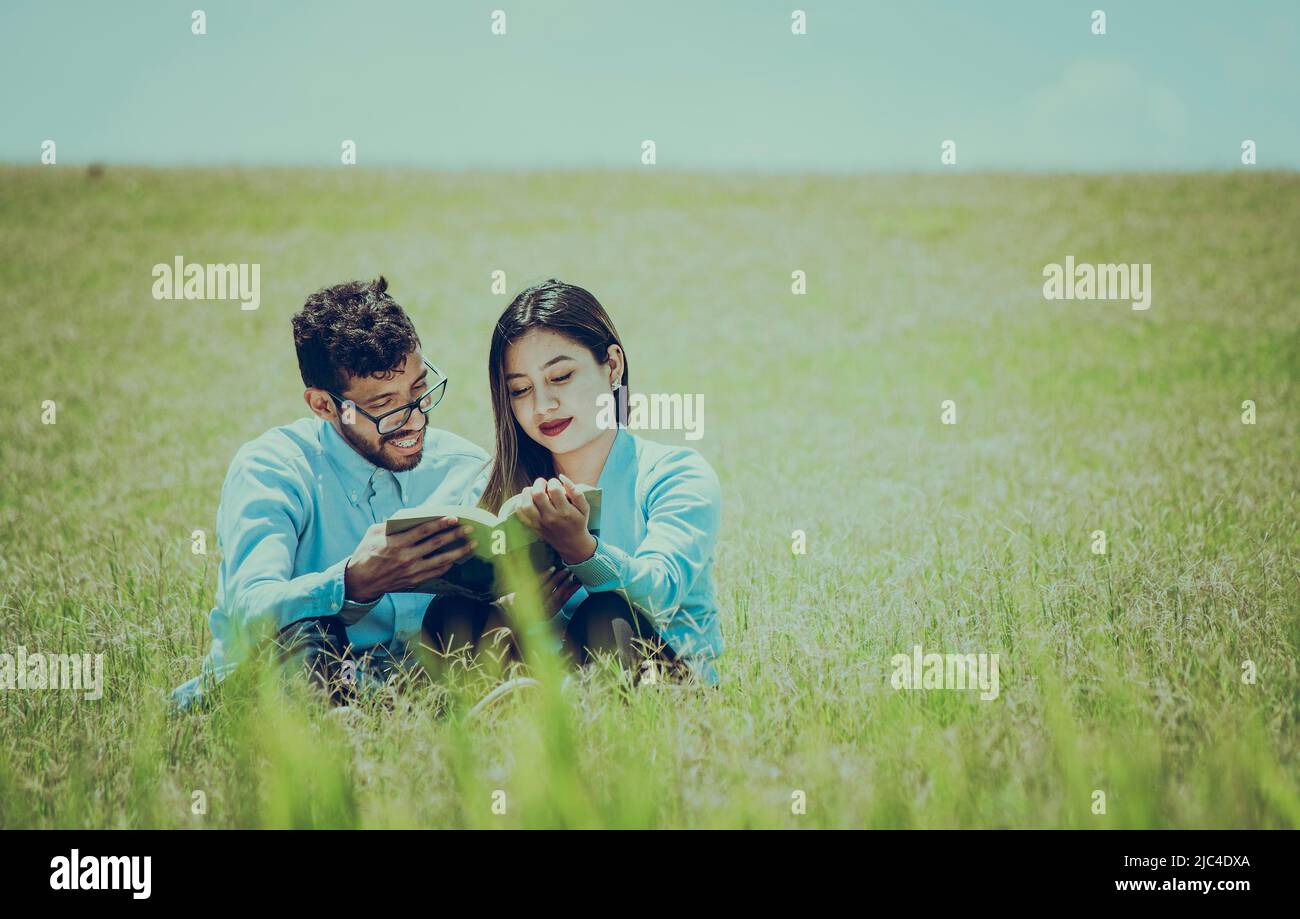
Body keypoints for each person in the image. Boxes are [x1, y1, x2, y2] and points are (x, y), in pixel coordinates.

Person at [171, 276, 579, 710]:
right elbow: (249, 613)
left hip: (411, 686)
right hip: (287, 678)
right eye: (384, 406)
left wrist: (516, 603)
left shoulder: (463, 468)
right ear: (323, 405)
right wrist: (352, 583)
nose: (414, 420)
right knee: (304, 631)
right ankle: (332, 736)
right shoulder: (272, 468)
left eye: (420, 390)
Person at [424, 279, 723, 684]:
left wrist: (582, 551)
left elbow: (662, 592)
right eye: (520, 389)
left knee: (605, 614)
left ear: (612, 365)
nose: (543, 405)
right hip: (546, 695)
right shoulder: (498, 489)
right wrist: (514, 610)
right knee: (451, 613)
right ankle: (504, 726)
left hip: (657, 688)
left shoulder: (675, 474)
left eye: (561, 377)